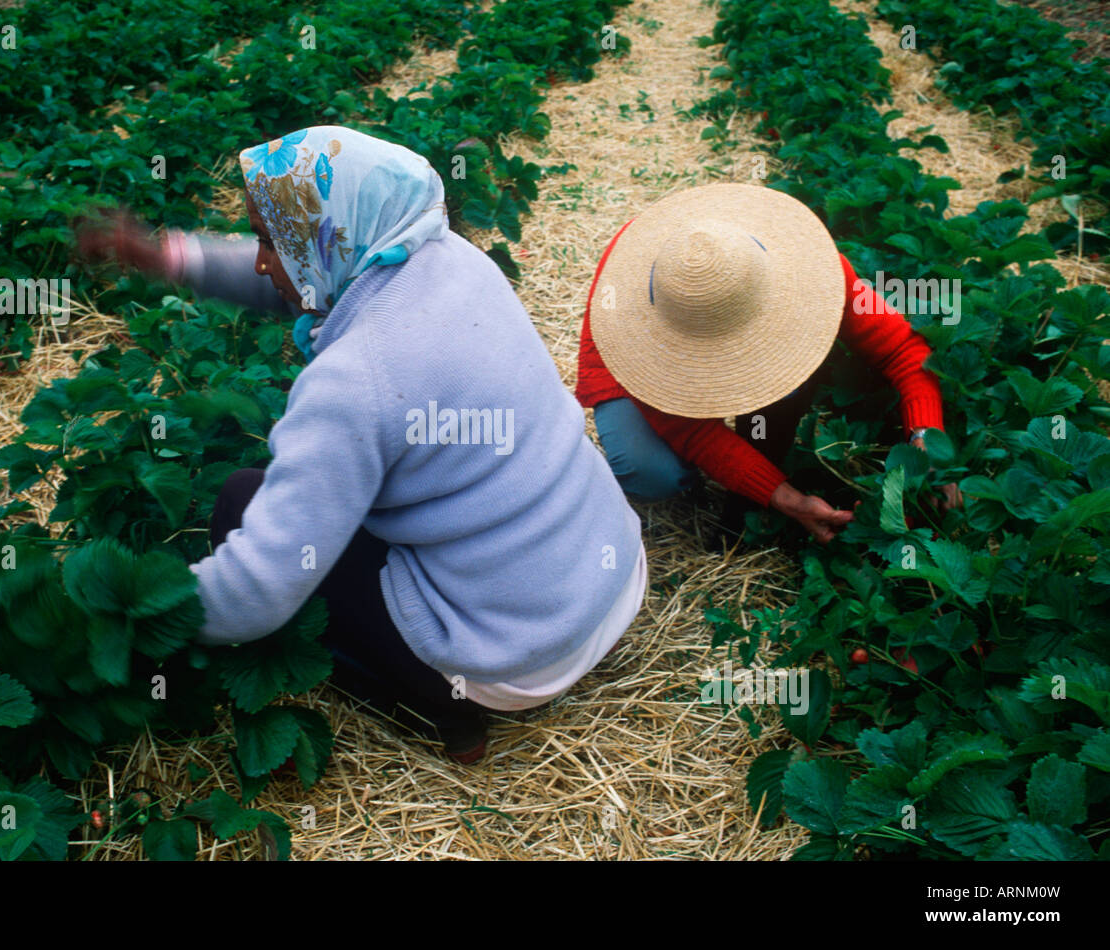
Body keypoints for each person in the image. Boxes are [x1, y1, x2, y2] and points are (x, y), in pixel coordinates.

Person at [76, 126, 646, 763]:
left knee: (241, 500)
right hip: (610, 582)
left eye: (270, 240)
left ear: (326, 239)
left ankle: (445, 714)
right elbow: (310, 272)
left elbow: (256, 593)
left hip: (510, 665)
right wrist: (168, 258)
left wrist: (119, 616)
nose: (264, 260)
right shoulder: (451, 259)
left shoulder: (356, 379)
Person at [574, 182, 962, 544]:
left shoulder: (815, 271)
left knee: (786, 384)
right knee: (653, 474)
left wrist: (925, 438)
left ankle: (760, 453)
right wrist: (786, 500)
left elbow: (904, 351)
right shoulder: (635, 333)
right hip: (648, 324)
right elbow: (692, 432)